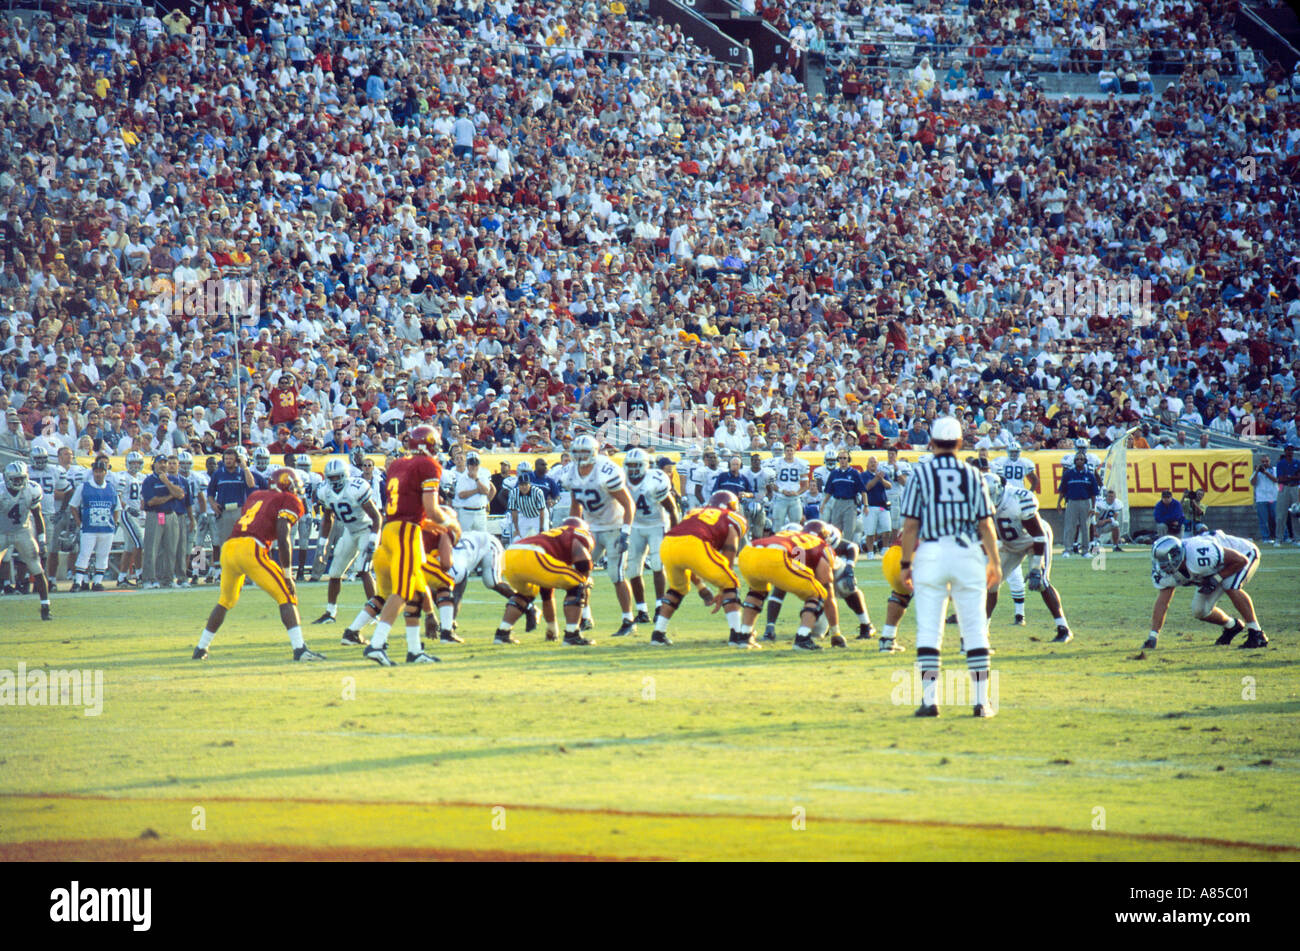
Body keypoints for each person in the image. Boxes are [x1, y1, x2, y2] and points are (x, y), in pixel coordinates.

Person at [895, 416, 1001, 717]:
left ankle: (930, 701)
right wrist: (994, 560)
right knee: (975, 628)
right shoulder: (973, 474)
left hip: (931, 551)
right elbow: (985, 523)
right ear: (959, 442)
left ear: (931, 442)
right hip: (967, 552)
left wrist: (906, 563)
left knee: (929, 629)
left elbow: (911, 524)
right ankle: (982, 702)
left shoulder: (920, 474)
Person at [192, 468, 326, 662]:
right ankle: (300, 649)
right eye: (295, 486)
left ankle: (201, 647)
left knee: (225, 601)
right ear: (287, 485)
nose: (297, 490)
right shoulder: (289, 500)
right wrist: (288, 574)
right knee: (286, 595)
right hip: (251, 548)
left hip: (229, 548)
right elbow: (282, 532)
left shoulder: (256, 496)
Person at [358, 425, 449, 666]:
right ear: (429, 444)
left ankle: (414, 649)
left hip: (391, 528)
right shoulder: (429, 465)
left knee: (413, 590)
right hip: (406, 533)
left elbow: (408, 505)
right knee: (402, 592)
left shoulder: (398, 464)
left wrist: (425, 523)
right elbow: (431, 507)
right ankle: (377, 645)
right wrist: (449, 522)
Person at [653, 490, 749, 647]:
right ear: (732, 505)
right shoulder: (734, 517)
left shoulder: (694, 512)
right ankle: (736, 634)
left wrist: (700, 586)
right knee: (731, 583)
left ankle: (658, 634)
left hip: (668, 544)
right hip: (695, 543)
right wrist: (723, 585)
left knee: (677, 589)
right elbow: (730, 547)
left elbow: (686, 556)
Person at [566, 433, 639, 638]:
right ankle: (585, 616)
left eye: (584, 452)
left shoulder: (606, 470)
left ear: (594, 453)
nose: (580, 457)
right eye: (577, 453)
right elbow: (575, 504)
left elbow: (628, 504)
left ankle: (628, 620)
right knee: (579, 573)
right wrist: (574, 531)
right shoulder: (571, 473)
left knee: (617, 575)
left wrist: (625, 532)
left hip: (614, 527)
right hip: (591, 529)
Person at [984, 474, 1073, 642]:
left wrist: (1035, 568)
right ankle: (982, 631)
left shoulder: (1017, 498)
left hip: (1034, 540)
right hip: (1009, 543)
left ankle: (1064, 629)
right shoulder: (978, 501)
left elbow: (1038, 536)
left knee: (1041, 582)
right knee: (990, 583)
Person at [1146, 532, 1267, 650]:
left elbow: (1241, 560)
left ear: (1177, 555)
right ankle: (1233, 626)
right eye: (1159, 560)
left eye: (1165, 560)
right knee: (1199, 610)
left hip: (1243, 553)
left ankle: (1256, 632)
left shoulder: (1199, 553)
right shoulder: (1162, 571)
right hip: (1214, 568)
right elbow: (1162, 603)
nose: (1162, 566)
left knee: (1230, 586)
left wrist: (1217, 578)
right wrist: (1153, 636)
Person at [736, 520, 842, 651]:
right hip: (775, 556)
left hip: (748, 552)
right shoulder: (821, 545)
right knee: (818, 593)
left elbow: (796, 562)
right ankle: (803, 639)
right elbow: (828, 591)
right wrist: (835, 632)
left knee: (757, 592)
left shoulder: (792, 535)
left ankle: (745, 636)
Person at [494, 516, 598, 646]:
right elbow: (583, 561)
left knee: (525, 594)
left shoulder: (551, 537)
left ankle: (502, 634)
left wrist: (552, 627)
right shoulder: (578, 532)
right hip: (534, 554)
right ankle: (572, 635)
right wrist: (585, 579)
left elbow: (547, 595)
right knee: (579, 584)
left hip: (510, 555)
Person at [761, 526, 876, 643]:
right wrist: (770, 627)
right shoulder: (791, 553)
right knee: (816, 631)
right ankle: (816, 627)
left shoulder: (817, 536)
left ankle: (866, 624)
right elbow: (778, 592)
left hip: (831, 569)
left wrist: (849, 566)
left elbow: (851, 547)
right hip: (815, 574)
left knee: (843, 585)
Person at [311, 458, 382, 632]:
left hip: (366, 529)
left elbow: (377, 518)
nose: (334, 481)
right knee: (335, 572)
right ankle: (330, 612)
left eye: (337, 477)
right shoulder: (325, 491)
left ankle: (374, 613)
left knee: (363, 569)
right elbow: (328, 518)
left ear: (345, 475)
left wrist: (373, 541)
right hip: (349, 532)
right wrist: (323, 544)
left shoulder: (356, 488)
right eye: (331, 478)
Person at [623, 447, 679, 623]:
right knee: (633, 568)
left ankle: (659, 606)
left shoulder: (655, 479)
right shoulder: (622, 481)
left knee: (657, 564)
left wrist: (675, 533)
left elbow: (671, 508)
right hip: (635, 526)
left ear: (645, 466)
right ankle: (642, 611)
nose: (632, 469)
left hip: (657, 524)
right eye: (629, 465)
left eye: (636, 465)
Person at [0, 462, 51, 620]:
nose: (18, 482)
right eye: (14, 479)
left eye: (20, 478)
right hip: (1, 531)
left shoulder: (32, 489)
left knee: (37, 567)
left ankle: (45, 607)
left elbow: (37, 515)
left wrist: (42, 540)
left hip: (22, 530)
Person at [68, 454, 121, 592]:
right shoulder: (84, 487)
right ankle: (78, 581)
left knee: (103, 555)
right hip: (89, 528)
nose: (98, 474)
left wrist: (114, 523)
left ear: (105, 472)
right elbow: (73, 505)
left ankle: (98, 581)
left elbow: (117, 508)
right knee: (84, 554)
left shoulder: (111, 488)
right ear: (93, 472)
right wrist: (79, 522)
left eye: (101, 471)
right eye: (96, 471)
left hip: (106, 528)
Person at [207, 446, 263, 556]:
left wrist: (245, 468)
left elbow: (251, 484)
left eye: (231, 459)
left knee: (241, 542)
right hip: (224, 511)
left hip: (239, 510)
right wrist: (213, 504)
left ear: (236, 460)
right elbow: (210, 493)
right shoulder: (218, 474)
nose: (228, 461)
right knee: (225, 543)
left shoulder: (242, 473)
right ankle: (226, 569)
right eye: (226, 459)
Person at [1057, 450, 1101, 555]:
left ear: (1085, 461)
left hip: (1085, 502)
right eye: (1077, 459)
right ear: (1074, 461)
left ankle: (1085, 550)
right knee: (1070, 526)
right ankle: (1068, 549)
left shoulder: (1089, 475)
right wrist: (1059, 503)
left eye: (1081, 459)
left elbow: (1093, 493)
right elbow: (1063, 490)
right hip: (1072, 502)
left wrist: (1093, 507)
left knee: (1085, 526)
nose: (1079, 461)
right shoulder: (1068, 474)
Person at [114, 451, 146, 587]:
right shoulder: (122, 477)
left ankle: (122, 578)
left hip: (138, 515)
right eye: (133, 462)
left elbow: (143, 498)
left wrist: (142, 511)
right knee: (139, 542)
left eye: (138, 463)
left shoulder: (143, 477)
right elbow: (117, 496)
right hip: (126, 514)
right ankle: (140, 575)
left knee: (129, 546)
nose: (135, 465)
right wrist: (127, 508)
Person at [452, 449, 493, 534]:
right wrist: (477, 490)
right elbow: (461, 495)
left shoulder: (483, 477)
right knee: (465, 537)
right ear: (468, 465)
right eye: (471, 464)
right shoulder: (462, 478)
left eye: (475, 464)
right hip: (466, 513)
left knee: (482, 538)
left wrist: (476, 479)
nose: (473, 467)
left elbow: (486, 491)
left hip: (480, 512)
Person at [770, 442, 808, 528]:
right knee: (777, 525)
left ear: (795, 452)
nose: (789, 452)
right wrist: (782, 491)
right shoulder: (776, 463)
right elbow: (771, 483)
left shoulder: (801, 464)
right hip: (780, 498)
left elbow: (805, 485)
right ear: (784, 452)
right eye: (787, 450)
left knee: (796, 526)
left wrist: (797, 493)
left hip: (795, 499)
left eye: (791, 450)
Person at [507, 461, 549, 540]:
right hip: (525, 515)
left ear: (530, 484)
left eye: (526, 484)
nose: (524, 487)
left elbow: (542, 512)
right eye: (521, 485)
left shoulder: (537, 492)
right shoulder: (514, 493)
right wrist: (516, 529)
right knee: (517, 539)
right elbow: (514, 512)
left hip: (538, 515)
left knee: (543, 538)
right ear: (518, 485)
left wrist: (541, 528)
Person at [1273, 445, 1299, 543]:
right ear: (1285, 451)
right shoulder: (1281, 463)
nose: (1290, 452)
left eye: (1291, 450)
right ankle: (1278, 539)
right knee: (1281, 515)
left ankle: (1297, 538)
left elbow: (1299, 477)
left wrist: (1289, 477)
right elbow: (1281, 478)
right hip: (1284, 488)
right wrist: (1293, 476)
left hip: (1295, 488)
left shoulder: (1297, 462)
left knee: (1296, 514)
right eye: (1288, 450)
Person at [1251, 455, 1278, 545]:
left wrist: (1266, 472)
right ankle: (1265, 538)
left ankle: (1280, 537)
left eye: (1266, 461)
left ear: (1269, 461)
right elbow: (1252, 483)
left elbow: (1276, 480)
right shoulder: (1257, 472)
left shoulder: (1274, 469)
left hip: (1273, 497)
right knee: (1263, 520)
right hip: (1261, 499)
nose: (1265, 463)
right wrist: (1256, 472)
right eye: (1263, 462)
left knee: (1276, 518)